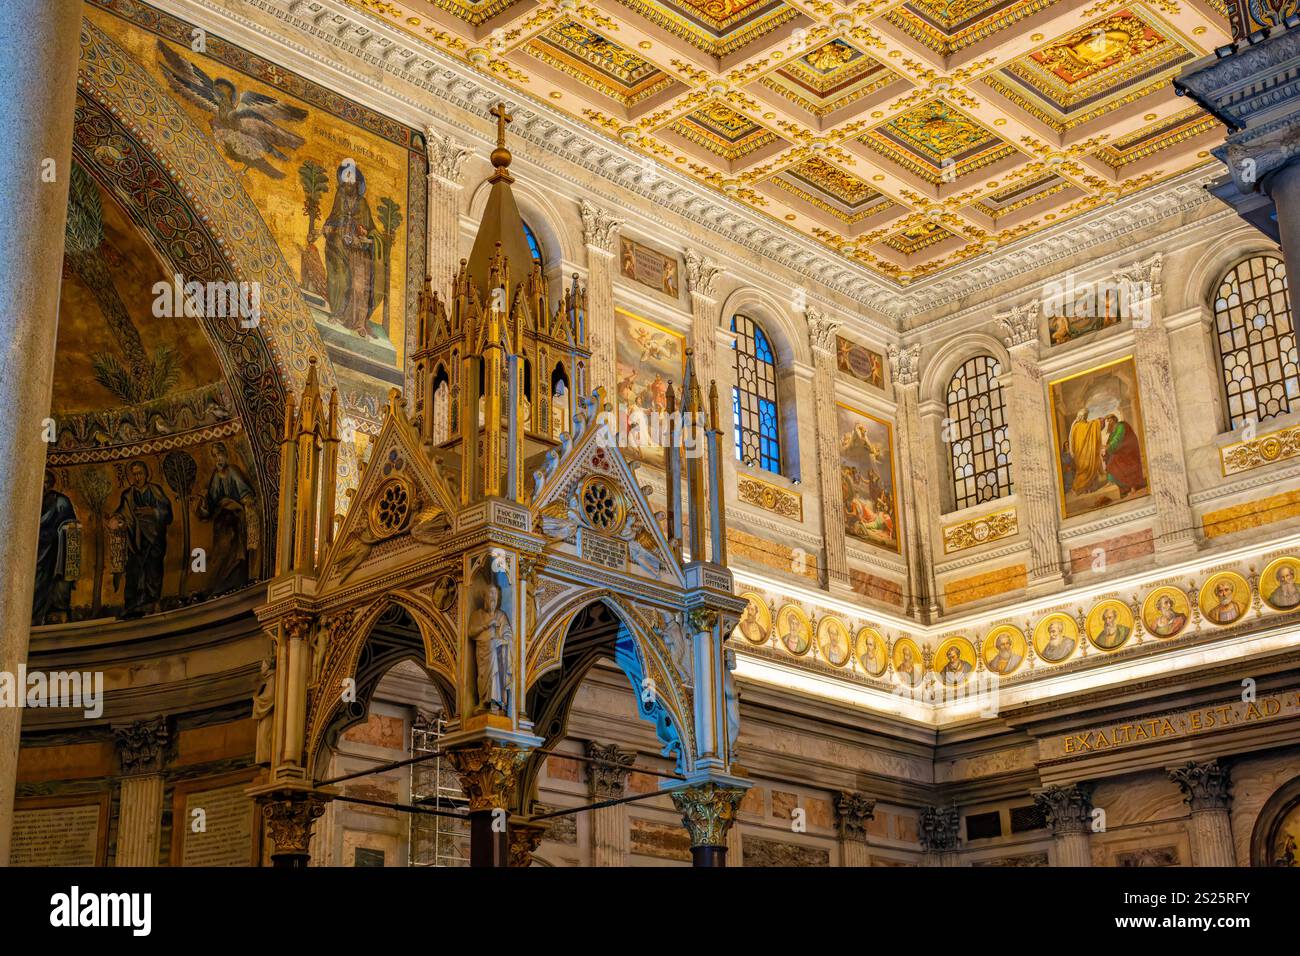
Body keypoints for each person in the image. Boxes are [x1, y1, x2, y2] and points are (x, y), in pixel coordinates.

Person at [108, 461, 174, 618]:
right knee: (133, 572)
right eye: (134, 474)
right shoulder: (128, 495)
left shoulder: (155, 490)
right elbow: (122, 513)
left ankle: (151, 602)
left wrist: (153, 512)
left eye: (140, 473)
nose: (138, 477)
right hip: (135, 541)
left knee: (153, 570)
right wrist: (117, 520)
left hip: (154, 539)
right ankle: (132, 606)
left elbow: (167, 513)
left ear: (146, 474)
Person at [324, 158, 378, 336]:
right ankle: (338, 313)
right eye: (345, 179)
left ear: (357, 182)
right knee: (340, 278)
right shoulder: (339, 198)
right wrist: (329, 227)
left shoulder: (362, 204)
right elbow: (333, 218)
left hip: (359, 252)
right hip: (340, 247)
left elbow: (371, 230)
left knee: (359, 287)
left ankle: (358, 323)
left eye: (351, 179)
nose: (348, 183)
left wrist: (365, 233)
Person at [196, 442, 256, 595]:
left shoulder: (233, 472)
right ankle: (219, 585)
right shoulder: (215, 476)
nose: (218, 459)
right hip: (221, 522)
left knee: (233, 550)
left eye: (220, 455)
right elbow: (212, 502)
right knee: (220, 552)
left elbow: (245, 493)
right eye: (215, 456)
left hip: (234, 519)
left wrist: (244, 502)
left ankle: (234, 581)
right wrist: (204, 501)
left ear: (226, 455)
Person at [32, 470, 78, 626]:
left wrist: (67, 526)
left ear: (51, 485)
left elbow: (70, 522)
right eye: (42, 481)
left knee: (46, 582)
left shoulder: (60, 501)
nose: (44, 485)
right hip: (32, 549)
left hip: (52, 551)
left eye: (47, 483)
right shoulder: (28, 498)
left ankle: (41, 616)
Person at [468, 582, 512, 712]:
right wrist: (486, 625)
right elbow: (471, 632)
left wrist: (501, 641)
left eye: (495, 595)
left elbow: (508, 635)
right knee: (482, 676)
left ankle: (495, 701)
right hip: (482, 651)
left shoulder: (501, 615)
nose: (493, 598)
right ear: (485, 596)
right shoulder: (477, 615)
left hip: (496, 652)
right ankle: (483, 701)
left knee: (496, 673)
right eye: (491, 594)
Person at [1102, 413, 1145, 497]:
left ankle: (1132, 486)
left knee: (1114, 462)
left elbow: (1118, 439)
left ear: (1114, 419)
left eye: (1110, 420)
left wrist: (1109, 447)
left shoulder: (1120, 426)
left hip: (1127, 451)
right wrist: (1106, 448)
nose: (1108, 422)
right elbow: (1110, 442)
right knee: (1110, 462)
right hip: (1120, 451)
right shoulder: (1113, 430)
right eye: (1108, 421)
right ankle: (1122, 487)